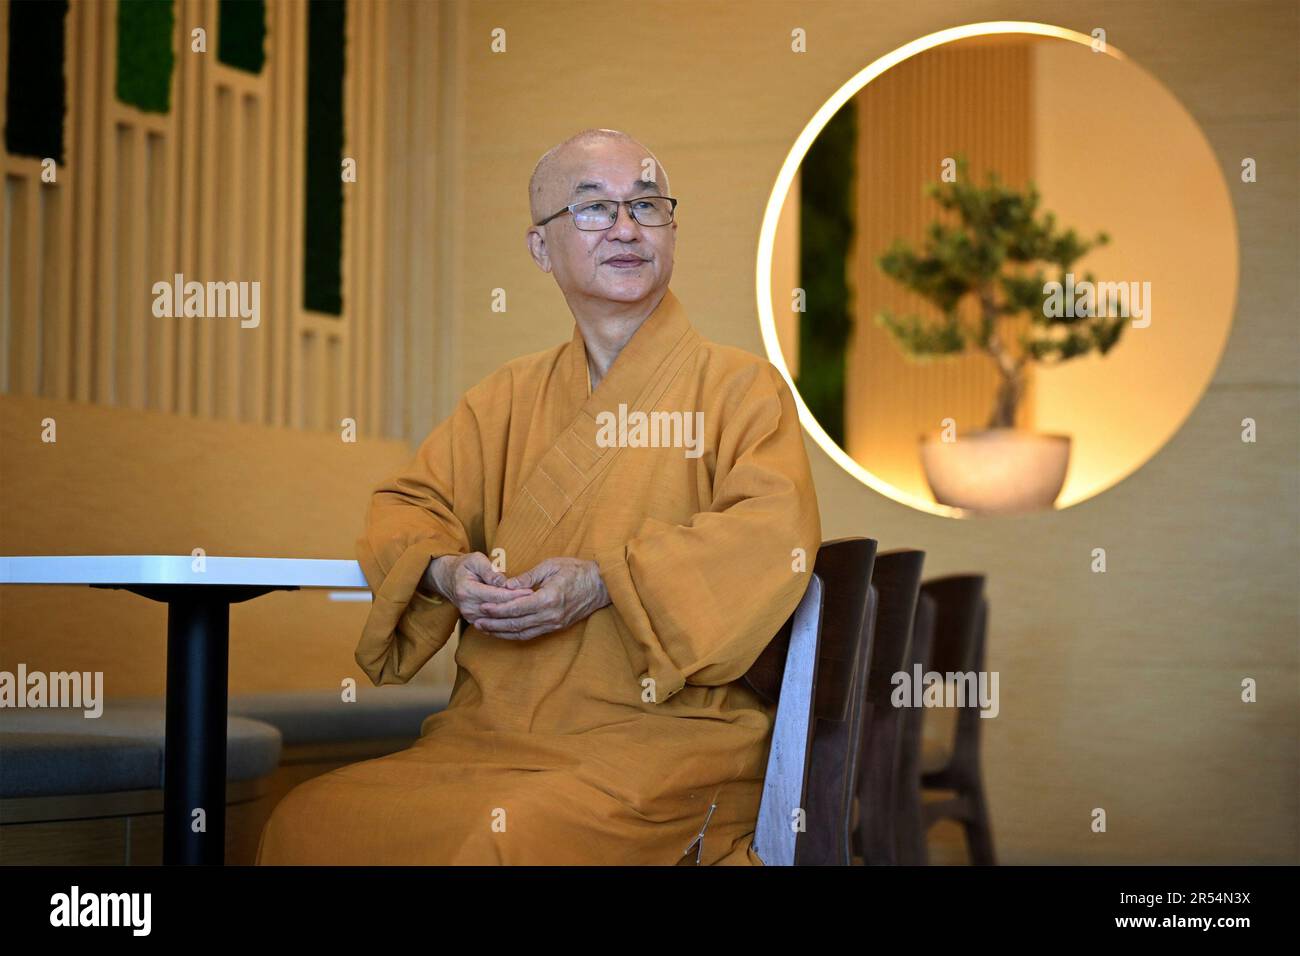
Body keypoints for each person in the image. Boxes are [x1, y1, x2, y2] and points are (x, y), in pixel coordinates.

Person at [255, 128, 821, 865]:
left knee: (503, 838)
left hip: (665, 739)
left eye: (646, 205)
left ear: (671, 231)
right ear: (540, 248)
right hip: (492, 734)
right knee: (309, 822)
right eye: (594, 208)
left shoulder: (742, 388)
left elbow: (773, 535)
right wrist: (444, 571)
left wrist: (604, 583)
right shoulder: (506, 398)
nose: (625, 227)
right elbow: (406, 505)